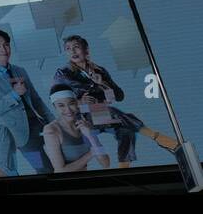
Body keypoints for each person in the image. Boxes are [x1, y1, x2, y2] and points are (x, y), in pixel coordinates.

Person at [52, 34, 178, 167]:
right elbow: (56, 98)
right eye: (68, 49)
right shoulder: (63, 73)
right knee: (116, 114)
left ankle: (123, 168)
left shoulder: (99, 71)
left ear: (86, 50)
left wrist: (103, 84)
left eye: (76, 47)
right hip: (80, 117)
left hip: (103, 114)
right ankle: (157, 137)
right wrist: (78, 102)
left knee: (126, 131)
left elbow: (119, 96)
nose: (72, 51)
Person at [0, 28, 53, 173]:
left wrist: (52, 121)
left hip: (41, 125)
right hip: (22, 136)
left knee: (62, 162)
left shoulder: (20, 70)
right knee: (44, 170)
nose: (4, 49)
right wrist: (13, 95)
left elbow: (36, 99)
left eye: (6, 44)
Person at [43, 84, 111, 173]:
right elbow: (60, 170)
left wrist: (91, 136)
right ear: (55, 107)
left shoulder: (84, 124)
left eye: (71, 104)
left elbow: (106, 163)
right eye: (61, 105)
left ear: (76, 103)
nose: (68, 110)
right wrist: (91, 154)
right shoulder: (51, 130)